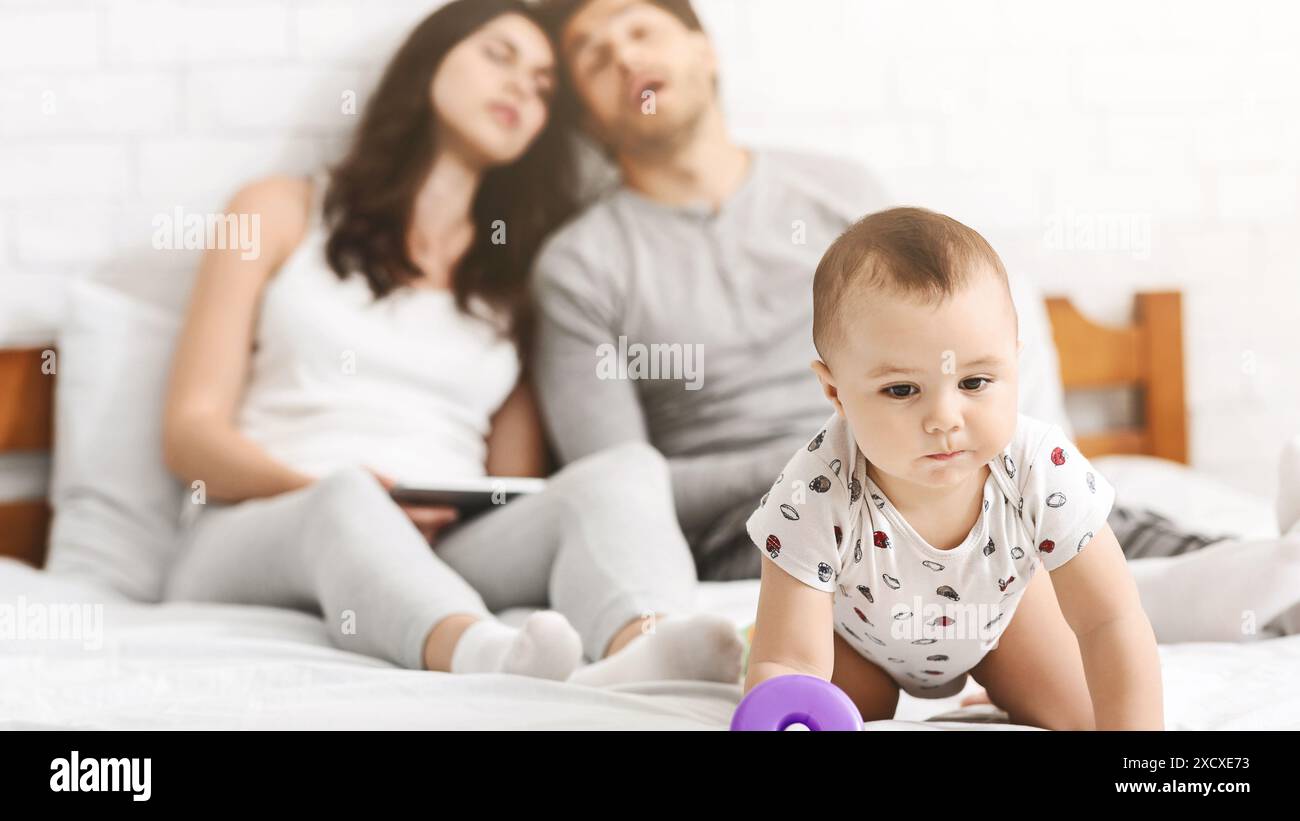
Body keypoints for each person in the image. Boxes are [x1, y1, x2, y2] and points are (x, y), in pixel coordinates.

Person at [530, 0, 1226, 582]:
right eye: (592, 55)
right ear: (585, 117)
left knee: (1066, 521)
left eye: (640, 29)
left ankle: (1227, 566)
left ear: (705, 51)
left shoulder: (839, 191)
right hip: (767, 526)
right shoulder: (578, 264)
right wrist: (843, 445)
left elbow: (940, 342)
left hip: (928, 459)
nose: (622, 55)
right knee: (910, 542)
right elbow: (619, 489)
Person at [161, 0, 742, 687]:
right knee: (347, 497)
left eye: (542, 84)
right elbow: (189, 433)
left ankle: (648, 650)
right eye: (499, 56)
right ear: (429, 61)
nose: (521, 87)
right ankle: (484, 654)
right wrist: (329, 489)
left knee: (623, 470)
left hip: (442, 543)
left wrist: (467, 512)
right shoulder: (279, 208)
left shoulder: (516, 272)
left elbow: (510, 479)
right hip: (261, 523)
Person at [743, 207, 1163, 729]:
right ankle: (728, 644)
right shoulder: (816, 489)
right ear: (835, 392)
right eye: (901, 389)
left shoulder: (1040, 467)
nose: (944, 419)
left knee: (1084, 715)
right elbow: (791, 661)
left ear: (1014, 361)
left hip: (1002, 625)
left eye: (975, 382)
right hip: (855, 641)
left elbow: (1110, 619)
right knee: (836, 712)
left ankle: (1000, 694)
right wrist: (780, 688)